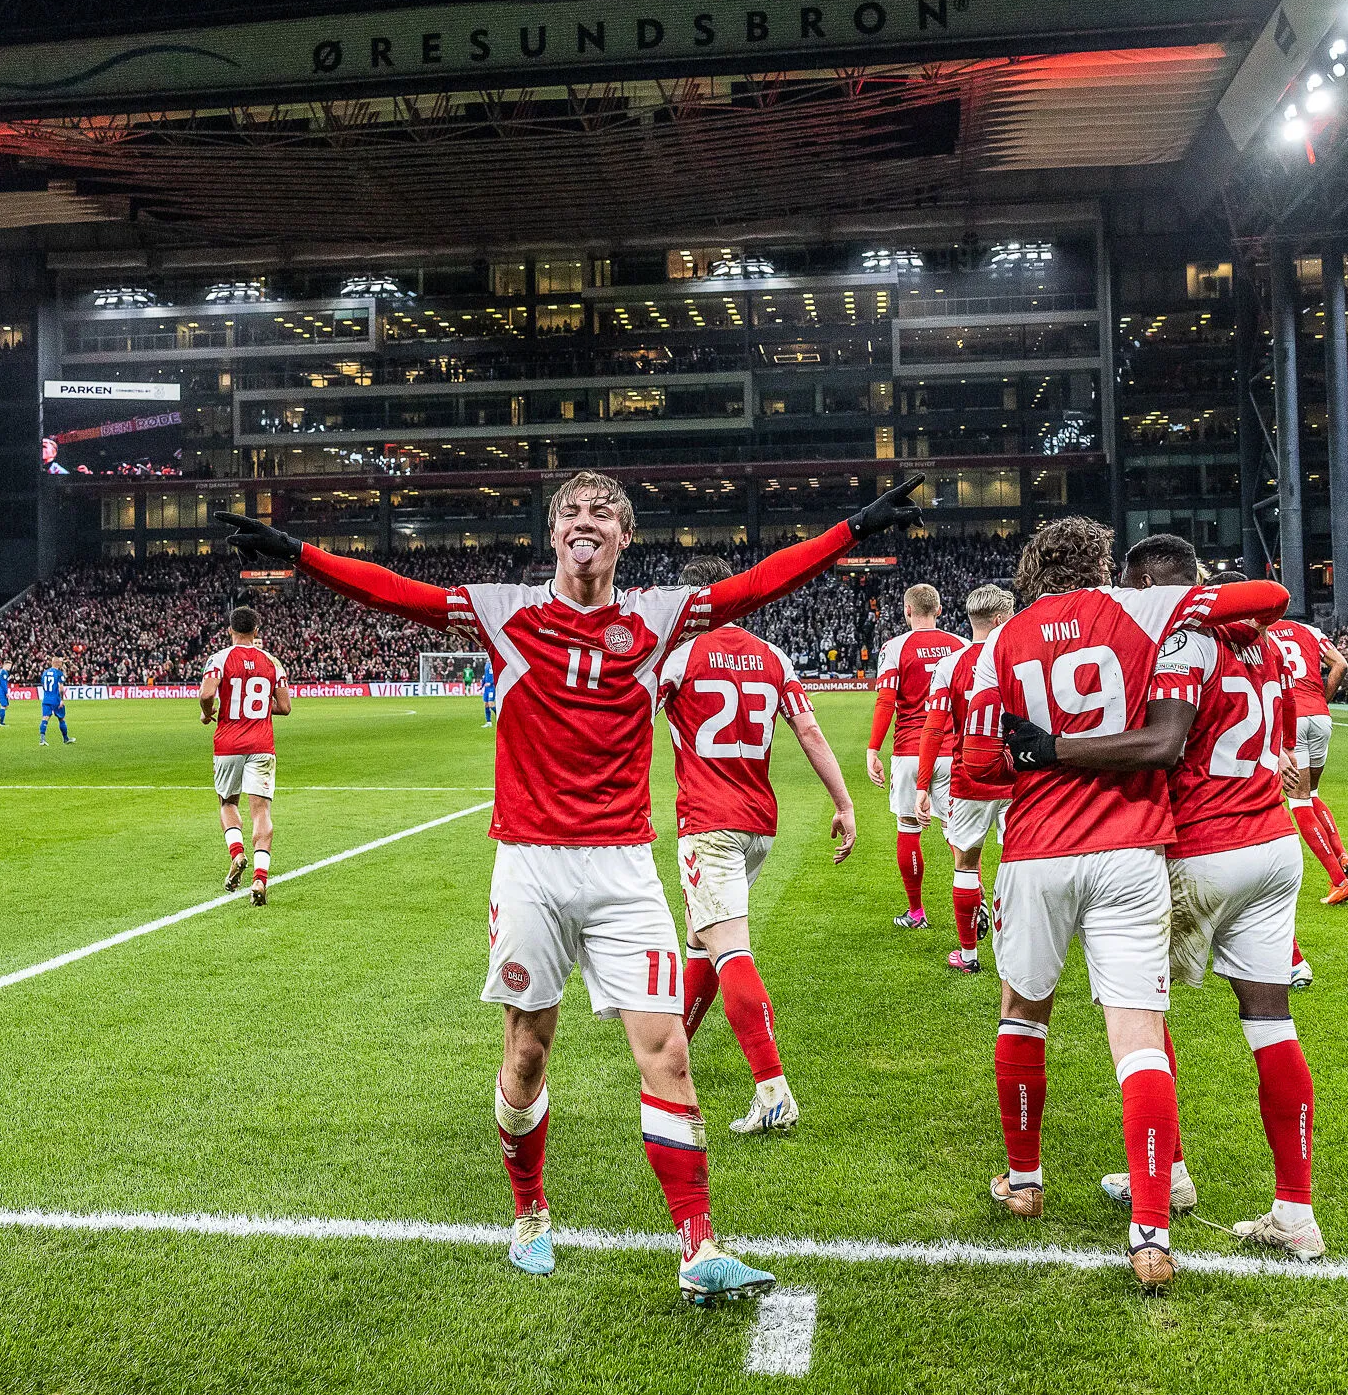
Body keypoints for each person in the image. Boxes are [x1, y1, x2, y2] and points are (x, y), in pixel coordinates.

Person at [218, 468, 923, 1301]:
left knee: (667, 1051)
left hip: (624, 865)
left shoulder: (660, 617)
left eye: (602, 513)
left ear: (624, 537)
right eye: (571, 513)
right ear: (553, 535)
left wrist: (851, 530)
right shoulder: (504, 611)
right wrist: (298, 553)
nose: (585, 522)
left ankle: (698, 1245)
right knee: (527, 1049)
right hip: (530, 862)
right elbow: (392, 591)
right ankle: (529, 1211)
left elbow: (757, 582)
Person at [957, 516, 1291, 1291]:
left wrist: (1029, 762)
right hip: (1133, 846)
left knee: (1021, 1011)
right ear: (1102, 563)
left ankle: (1025, 1179)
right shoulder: (1137, 608)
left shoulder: (999, 643)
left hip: (1038, 849)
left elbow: (976, 769)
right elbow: (1268, 597)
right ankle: (1150, 1232)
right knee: (1137, 1035)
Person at [1090, 543, 1324, 1259]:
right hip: (1273, 843)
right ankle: (1296, 1213)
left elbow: (1165, 743)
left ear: (1150, 584)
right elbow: (1288, 751)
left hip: (1206, 846)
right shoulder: (1267, 642)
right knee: (1271, 1025)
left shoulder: (1185, 638)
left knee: (1136, 1009)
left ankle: (1171, 1176)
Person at [657, 555, 858, 1136]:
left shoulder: (680, 655)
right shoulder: (772, 656)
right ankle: (673, 1050)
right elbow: (810, 730)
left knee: (729, 952)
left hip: (708, 823)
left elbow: (630, 716)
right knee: (701, 941)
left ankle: (773, 1089)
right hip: (758, 826)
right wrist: (844, 804)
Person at [913, 583, 1016, 974]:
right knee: (1015, 864)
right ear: (1000, 619)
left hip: (969, 778)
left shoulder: (950, 665)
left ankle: (969, 956)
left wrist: (923, 786)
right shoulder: (1019, 657)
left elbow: (933, 730)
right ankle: (1014, 955)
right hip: (1016, 778)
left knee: (966, 866)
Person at [866, 584, 966, 930]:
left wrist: (872, 749)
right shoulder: (961, 646)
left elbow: (886, 701)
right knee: (957, 832)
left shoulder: (894, 647)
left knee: (908, 827)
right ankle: (975, 901)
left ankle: (916, 912)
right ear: (939, 610)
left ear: (907, 611)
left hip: (910, 751)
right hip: (953, 750)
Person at [200, 606, 291, 906]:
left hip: (228, 744)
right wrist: (261, 710)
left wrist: (207, 714)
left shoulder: (220, 658)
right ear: (257, 630)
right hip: (262, 744)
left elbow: (205, 694)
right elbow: (285, 707)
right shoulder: (272, 662)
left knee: (227, 802)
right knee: (261, 812)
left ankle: (237, 853)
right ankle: (260, 881)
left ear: (230, 629)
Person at [1266, 616, 1348, 907]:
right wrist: (1321, 699)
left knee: (1298, 800)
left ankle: (1339, 882)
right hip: (1320, 716)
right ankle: (1341, 856)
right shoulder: (1309, 631)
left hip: (1292, 717)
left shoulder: (1262, 631)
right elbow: (1340, 665)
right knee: (1313, 793)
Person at [39, 660, 73, 746]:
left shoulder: (45, 672)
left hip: (46, 699)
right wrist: (61, 699)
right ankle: (65, 738)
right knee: (61, 719)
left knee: (45, 718)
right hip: (56, 699)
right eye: (61, 663)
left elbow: (43, 685)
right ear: (58, 663)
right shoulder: (58, 673)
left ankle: (42, 739)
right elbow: (61, 688)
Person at [481, 659, 497, 727]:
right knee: (486, 705)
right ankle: (488, 722)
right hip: (486, 688)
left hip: (491, 687)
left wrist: (491, 683)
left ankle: (501, 716)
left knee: (491, 704)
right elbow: (485, 675)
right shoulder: (487, 664)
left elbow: (496, 675)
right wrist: (482, 685)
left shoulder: (494, 664)